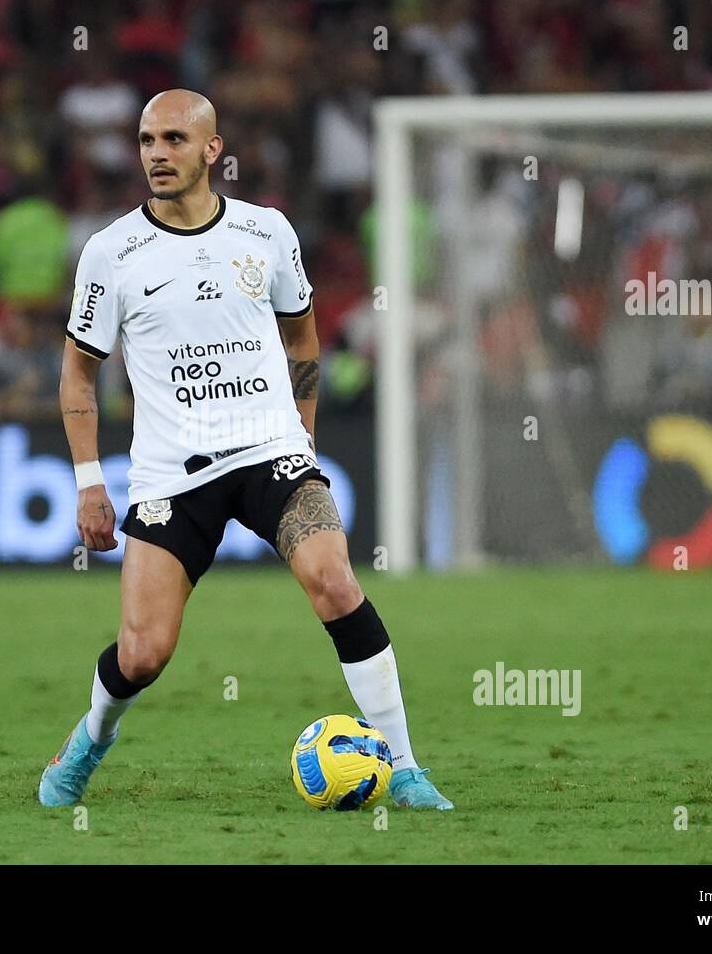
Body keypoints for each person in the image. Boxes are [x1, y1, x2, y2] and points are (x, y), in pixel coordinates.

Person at [39, 89, 453, 810]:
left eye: (173, 139)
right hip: (172, 476)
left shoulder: (267, 233)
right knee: (143, 654)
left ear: (211, 150)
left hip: (272, 454)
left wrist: (302, 438)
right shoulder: (111, 254)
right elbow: (79, 368)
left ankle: (408, 767)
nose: (156, 154)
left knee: (335, 581)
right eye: (145, 141)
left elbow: (302, 337)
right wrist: (87, 482)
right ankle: (85, 745)